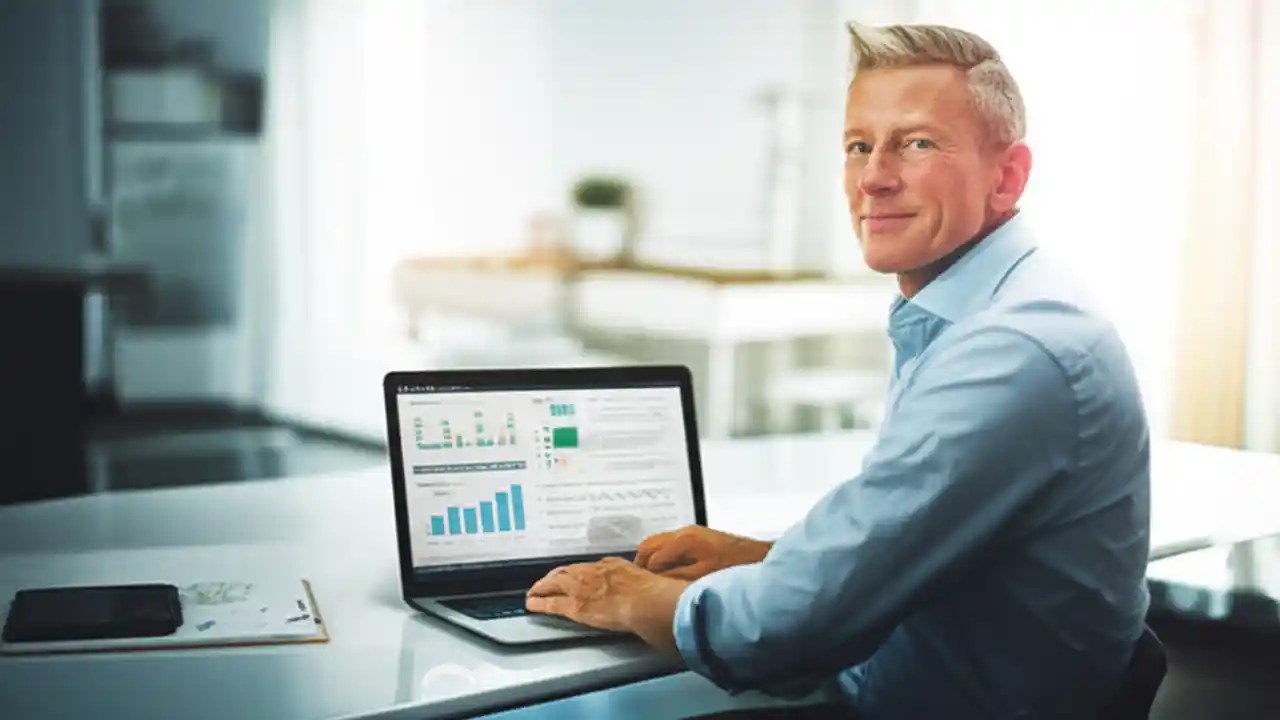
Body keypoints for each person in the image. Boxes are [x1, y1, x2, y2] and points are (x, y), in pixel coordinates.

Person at [527, 22, 1150, 719]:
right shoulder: (1000, 306)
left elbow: (791, 630)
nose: (875, 178)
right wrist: (766, 558)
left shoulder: (1013, 351)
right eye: (859, 146)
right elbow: (906, 541)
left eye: (916, 143)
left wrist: (630, 594)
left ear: (1007, 176)